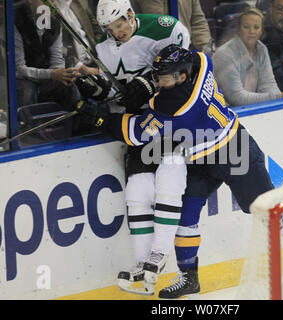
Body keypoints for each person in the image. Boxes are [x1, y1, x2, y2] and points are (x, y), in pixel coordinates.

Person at [76, 44, 283, 299]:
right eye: (157, 76)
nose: (160, 81)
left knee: (269, 210)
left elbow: (133, 133)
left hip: (234, 153)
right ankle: (189, 278)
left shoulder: (175, 106)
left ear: (182, 77)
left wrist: (98, 117)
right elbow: (191, 57)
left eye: (164, 78)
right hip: (203, 158)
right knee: (185, 213)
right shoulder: (202, 64)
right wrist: (148, 83)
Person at [75, 0, 191, 296]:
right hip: (138, 124)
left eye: (120, 25)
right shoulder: (103, 47)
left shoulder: (165, 28)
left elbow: (184, 69)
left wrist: (148, 84)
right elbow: (117, 91)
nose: (117, 33)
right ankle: (143, 265)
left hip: (170, 117)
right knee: (137, 190)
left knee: (169, 180)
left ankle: (160, 253)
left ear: (130, 15)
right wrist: (98, 90)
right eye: (110, 29)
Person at [212, 7, 283, 107]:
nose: (251, 31)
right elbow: (236, 98)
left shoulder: (262, 49)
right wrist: (277, 97)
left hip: (250, 108)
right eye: (246, 27)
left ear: (261, 31)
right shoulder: (224, 54)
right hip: (225, 113)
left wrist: (277, 104)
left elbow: (268, 84)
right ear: (239, 29)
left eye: (256, 27)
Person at [14, 0, 81, 110]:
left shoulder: (54, 23)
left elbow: (57, 61)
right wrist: (52, 74)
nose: (52, 4)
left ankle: (69, 125)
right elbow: (19, 69)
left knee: (69, 88)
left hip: (43, 73)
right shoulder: (15, 19)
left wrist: (64, 74)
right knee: (26, 92)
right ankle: (27, 126)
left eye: (54, 0)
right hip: (18, 78)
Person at [134, 0, 212, 52]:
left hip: (186, 49)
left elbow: (198, 22)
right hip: (153, 53)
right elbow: (157, 28)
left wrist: (207, 49)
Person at [53, 0, 103, 68]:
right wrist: (80, 67)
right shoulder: (47, 10)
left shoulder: (80, 2)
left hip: (97, 59)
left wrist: (101, 50)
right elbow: (54, 46)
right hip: (74, 69)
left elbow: (95, 27)